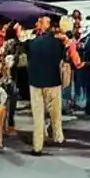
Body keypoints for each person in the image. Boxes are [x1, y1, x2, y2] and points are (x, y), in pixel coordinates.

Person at [23, 15, 66, 155]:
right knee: (55, 113)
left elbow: (26, 57)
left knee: (38, 116)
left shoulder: (31, 43)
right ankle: (58, 137)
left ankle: (37, 146)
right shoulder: (58, 43)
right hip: (53, 82)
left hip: (35, 83)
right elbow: (62, 58)